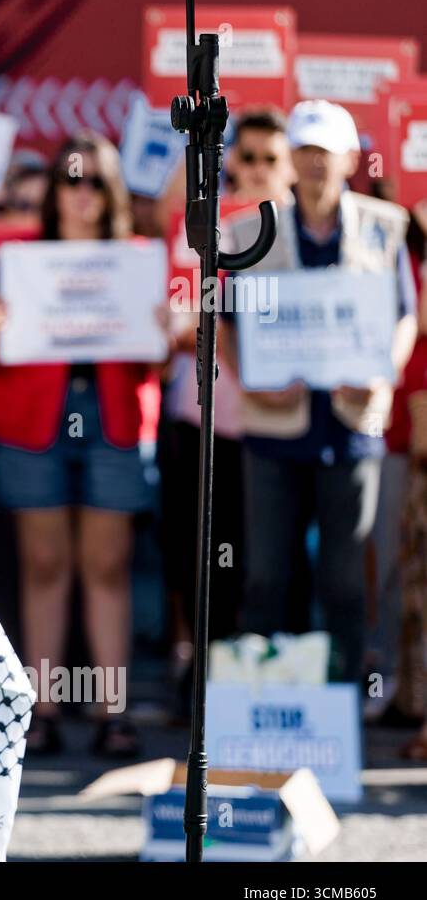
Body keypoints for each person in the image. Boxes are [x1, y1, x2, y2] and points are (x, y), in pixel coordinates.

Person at [0, 132, 163, 758]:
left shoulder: (139, 257)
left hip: (112, 417)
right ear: (54, 191)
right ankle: (44, 709)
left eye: (94, 183)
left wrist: (169, 329)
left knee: (107, 568)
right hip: (34, 418)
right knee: (44, 566)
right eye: (69, 182)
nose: (81, 195)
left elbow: (162, 355)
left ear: (112, 193)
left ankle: (114, 712)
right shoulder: (19, 255)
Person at [220, 100, 418, 684]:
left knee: (343, 579)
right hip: (274, 428)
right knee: (267, 575)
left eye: (325, 154)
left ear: (350, 159)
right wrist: (254, 379)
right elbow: (226, 325)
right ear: (292, 160)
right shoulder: (252, 228)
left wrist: (383, 370)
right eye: (304, 152)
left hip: (352, 426)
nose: (314, 165)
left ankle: (342, 705)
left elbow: (404, 316)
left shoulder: (385, 227)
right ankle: (263, 703)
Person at [159, 107, 295, 710]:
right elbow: (180, 311)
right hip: (204, 417)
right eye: (249, 157)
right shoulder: (203, 224)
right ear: (230, 161)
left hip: (277, 424)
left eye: (272, 158)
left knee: (263, 562)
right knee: (199, 556)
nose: (259, 169)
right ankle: (202, 686)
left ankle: (258, 685)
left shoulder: (305, 232)